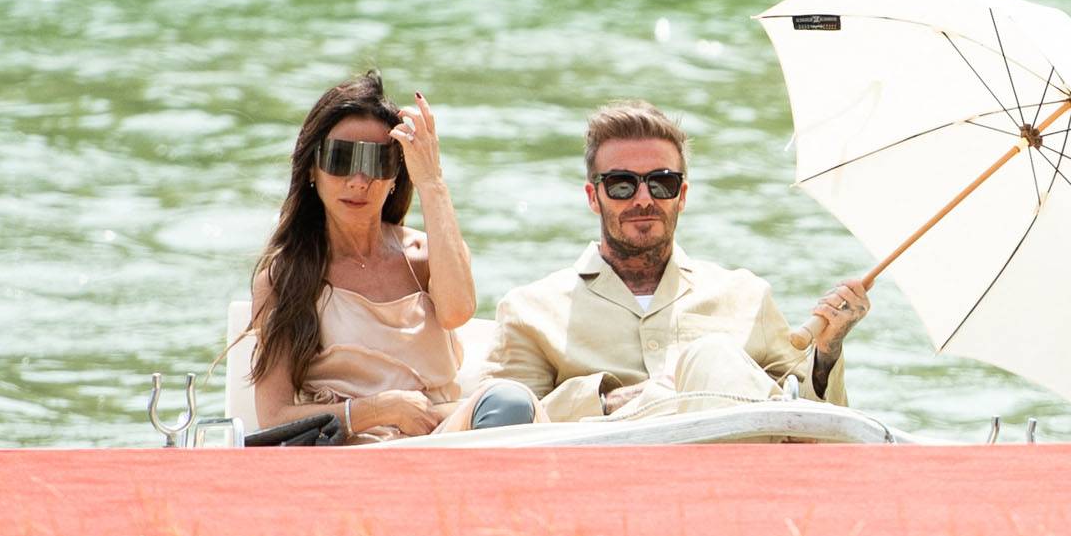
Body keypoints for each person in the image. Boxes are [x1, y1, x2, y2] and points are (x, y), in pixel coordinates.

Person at [480, 100, 869, 422]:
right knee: (710, 357)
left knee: (712, 356)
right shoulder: (530, 311)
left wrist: (827, 352)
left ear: (681, 195)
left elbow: (818, 423)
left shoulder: (746, 295)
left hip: (743, 462)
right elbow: (506, 430)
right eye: (621, 185)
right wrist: (615, 400)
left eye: (661, 183)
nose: (644, 199)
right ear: (592, 196)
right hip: (607, 471)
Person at [248, 69, 542, 442]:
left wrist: (431, 180)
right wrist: (381, 409)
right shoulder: (284, 278)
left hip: (444, 438)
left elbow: (457, 311)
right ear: (311, 167)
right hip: (350, 454)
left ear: (395, 176)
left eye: (376, 163)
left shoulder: (425, 257)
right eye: (340, 159)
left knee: (509, 400)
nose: (358, 180)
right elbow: (273, 416)